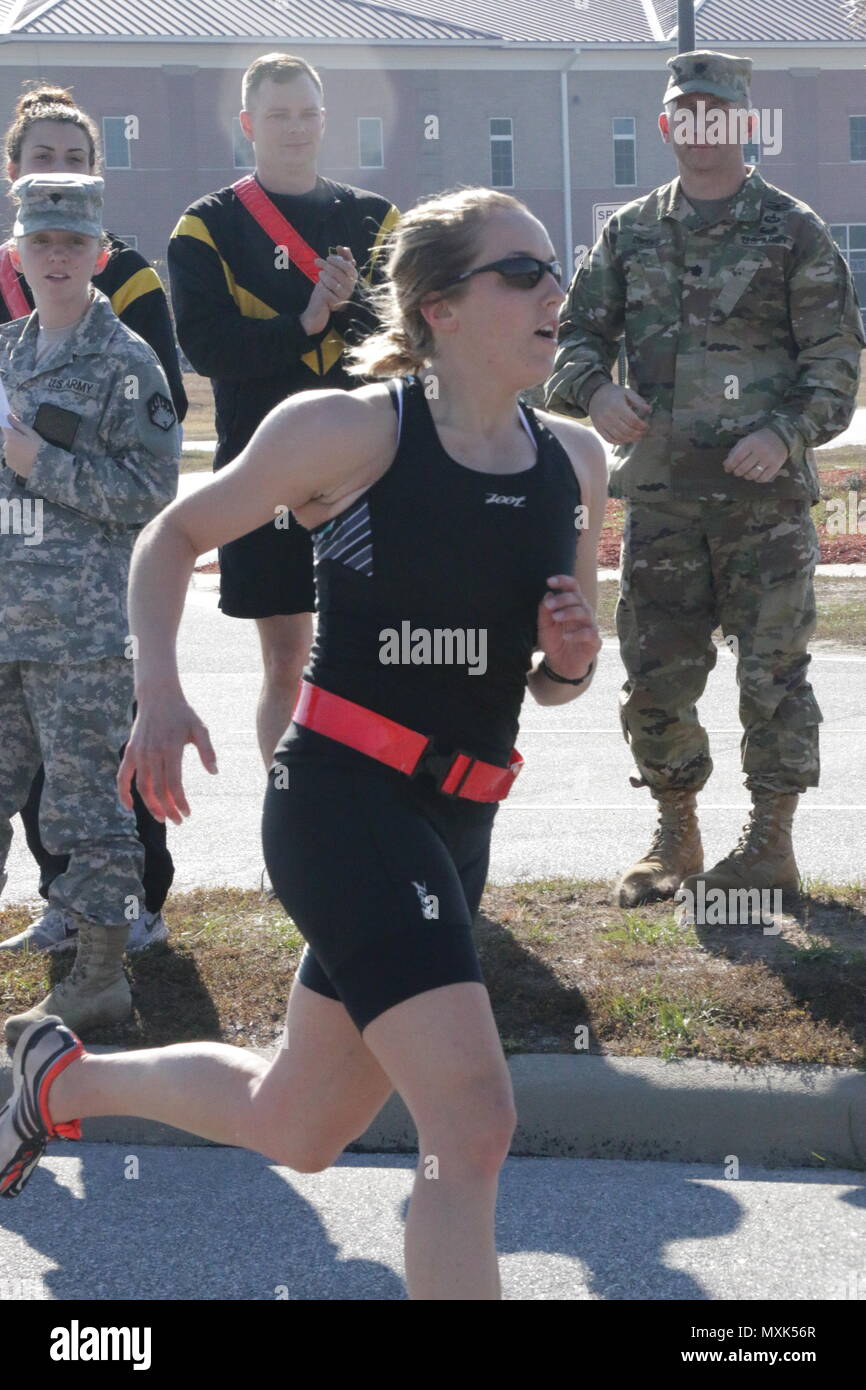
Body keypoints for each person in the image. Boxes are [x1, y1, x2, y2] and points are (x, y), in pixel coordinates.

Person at [0, 187, 606, 1301]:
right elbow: (173, 533)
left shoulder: (573, 460)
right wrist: (158, 692)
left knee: (299, 1122)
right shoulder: (351, 431)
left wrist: (568, 659)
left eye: (553, 269)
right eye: (521, 273)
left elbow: (555, 684)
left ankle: (54, 1083)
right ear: (439, 308)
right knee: (471, 1124)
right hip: (345, 800)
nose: (552, 292)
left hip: (461, 819)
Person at [546, 50, 864, 914]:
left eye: (718, 112)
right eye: (686, 113)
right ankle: (675, 832)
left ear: (744, 124)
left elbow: (836, 363)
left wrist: (784, 432)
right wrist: (595, 390)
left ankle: (770, 846)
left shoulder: (793, 231)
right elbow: (571, 339)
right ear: (666, 126)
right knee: (656, 676)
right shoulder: (630, 232)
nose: (702, 128)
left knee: (774, 676)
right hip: (663, 503)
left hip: (765, 505)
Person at [168, 51, 400, 770]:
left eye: (306, 114)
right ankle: (290, 816)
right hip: (261, 472)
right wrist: (305, 322)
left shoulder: (377, 218)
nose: (295, 128)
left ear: (325, 121)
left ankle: (370, 814)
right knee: (285, 662)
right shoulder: (205, 227)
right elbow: (208, 350)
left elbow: (407, 345)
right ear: (247, 124)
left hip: (368, 472)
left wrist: (347, 307)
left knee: (376, 660)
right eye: (278, 115)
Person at [0, 84, 186, 954]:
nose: (57, 253)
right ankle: (64, 912)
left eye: (73, 240)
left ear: (99, 250)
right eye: (41, 240)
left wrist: (38, 462)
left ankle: (113, 937)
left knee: (89, 798)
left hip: (84, 625)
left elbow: (150, 486)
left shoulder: (124, 357)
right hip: (8, 620)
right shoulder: (7, 352)